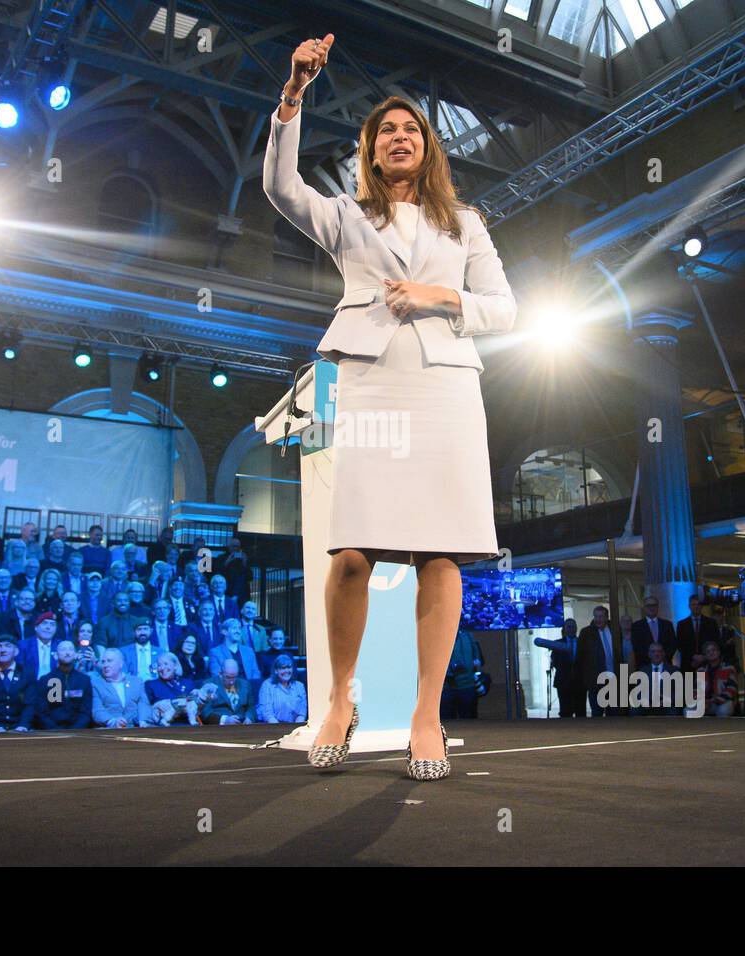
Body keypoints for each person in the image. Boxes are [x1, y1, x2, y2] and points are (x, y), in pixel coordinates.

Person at [265, 33, 515, 782]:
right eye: (384, 133)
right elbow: (281, 191)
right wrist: (293, 95)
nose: (397, 138)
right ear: (370, 153)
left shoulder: (464, 223)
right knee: (353, 551)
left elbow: (504, 309)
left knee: (441, 551)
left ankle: (426, 714)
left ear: (427, 148)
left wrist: (440, 296)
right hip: (371, 384)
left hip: (445, 388)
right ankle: (340, 699)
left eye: (410, 129)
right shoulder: (346, 216)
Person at [576, 606, 625, 716]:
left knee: (615, 714)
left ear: (607, 617)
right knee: (597, 715)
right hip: (596, 682)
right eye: (596, 616)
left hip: (614, 680)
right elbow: (580, 658)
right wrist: (587, 680)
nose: (598, 619)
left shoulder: (615, 630)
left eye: (601, 616)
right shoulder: (586, 633)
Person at [33, 640, 92, 729]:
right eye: (63, 649)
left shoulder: (84, 680)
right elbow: (42, 712)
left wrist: (75, 731)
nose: (67, 653)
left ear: (76, 655)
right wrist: (56, 731)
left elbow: (86, 712)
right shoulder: (45, 680)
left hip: (78, 732)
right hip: (51, 732)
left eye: (70, 649)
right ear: (55, 655)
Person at [90, 647, 155, 728]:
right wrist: (112, 721)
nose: (105, 665)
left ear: (120, 664)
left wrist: (143, 720)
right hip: (109, 729)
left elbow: (143, 704)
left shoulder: (136, 682)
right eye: (103, 662)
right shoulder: (96, 684)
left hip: (135, 727)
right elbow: (97, 710)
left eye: (109, 661)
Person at [440, 629, 482, 719]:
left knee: (469, 721)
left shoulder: (467, 635)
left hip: (467, 686)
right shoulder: (440, 635)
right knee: (448, 723)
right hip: (447, 687)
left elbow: (478, 659)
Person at [200, 658, 255, 725]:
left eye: (234, 677)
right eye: (228, 677)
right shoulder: (208, 685)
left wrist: (249, 717)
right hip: (219, 728)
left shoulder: (245, 684)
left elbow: (251, 707)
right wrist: (224, 720)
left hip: (243, 726)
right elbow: (205, 712)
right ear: (220, 673)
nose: (232, 682)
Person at [256, 653, 307, 723]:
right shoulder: (267, 685)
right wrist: (280, 731)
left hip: (295, 726)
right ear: (276, 671)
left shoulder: (299, 686)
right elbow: (267, 714)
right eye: (283, 668)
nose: (286, 671)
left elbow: (302, 713)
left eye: (289, 667)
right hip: (273, 726)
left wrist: (296, 729)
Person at [675, 594, 720, 673]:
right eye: (693, 604)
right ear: (689, 606)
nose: (696, 607)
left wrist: (703, 657)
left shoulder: (711, 623)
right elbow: (680, 645)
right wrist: (693, 657)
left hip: (706, 664)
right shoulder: (682, 624)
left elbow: (716, 642)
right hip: (688, 664)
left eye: (698, 604)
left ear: (702, 606)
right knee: (688, 685)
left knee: (702, 685)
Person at [630, 596, 677, 667]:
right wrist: (652, 659)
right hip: (645, 666)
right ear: (644, 608)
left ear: (658, 607)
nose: (651, 608)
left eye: (654, 605)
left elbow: (673, 644)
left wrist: (662, 658)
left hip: (665, 665)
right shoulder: (636, 626)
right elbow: (637, 646)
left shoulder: (667, 624)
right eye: (648, 605)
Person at [698, 640, 738, 716]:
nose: (711, 653)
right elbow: (695, 690)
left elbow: (732, 689)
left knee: (724, 710)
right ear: (705, 656)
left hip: (723, 702)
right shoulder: (701, 670)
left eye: (714, 650)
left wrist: (715, 700)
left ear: (718, 652)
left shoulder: (729, 668)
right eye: (708, 651)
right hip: (705, 703)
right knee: (687, 710)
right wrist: (702, 702)